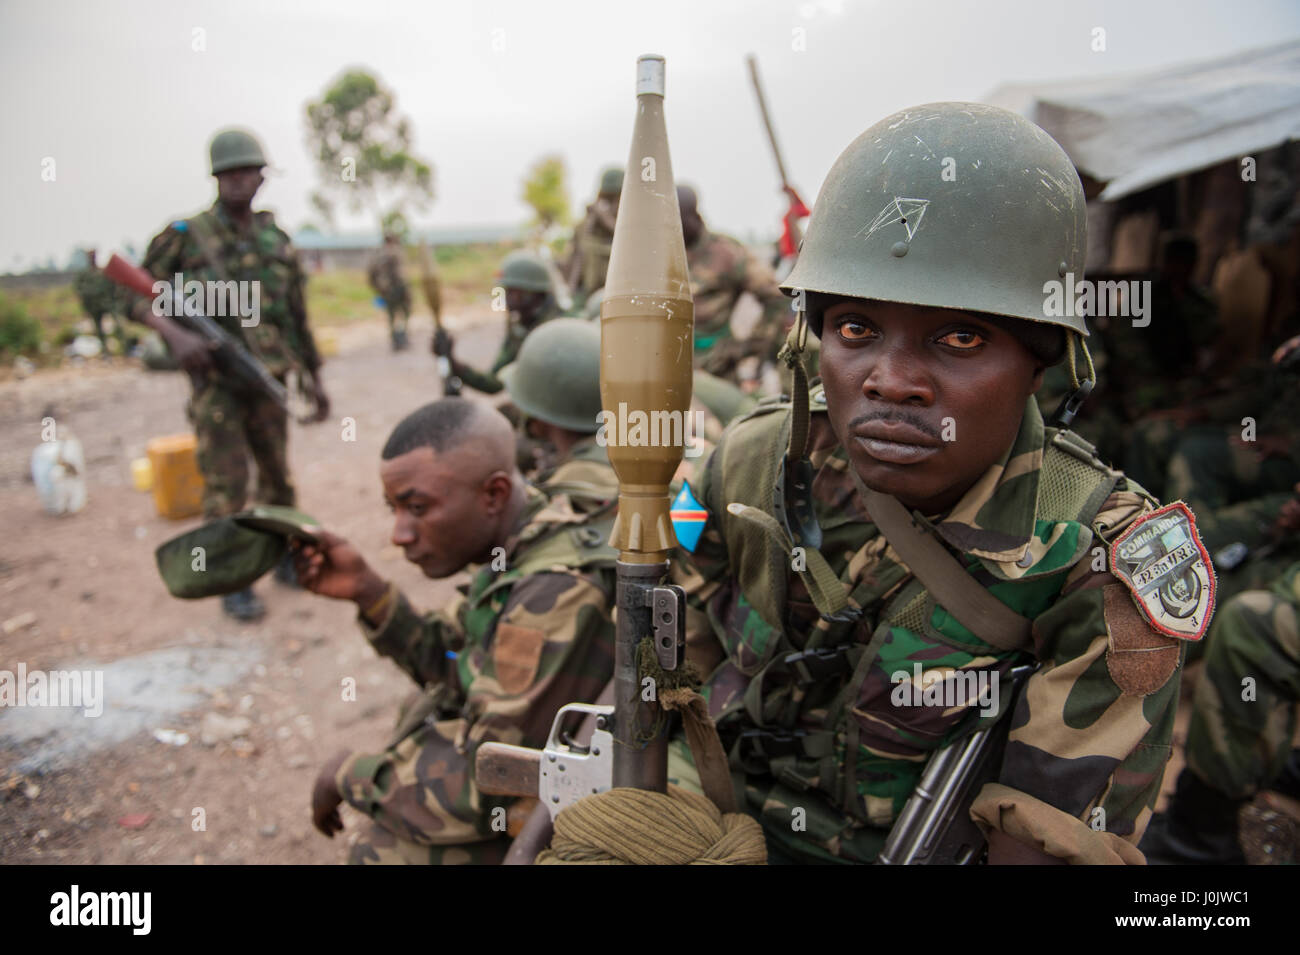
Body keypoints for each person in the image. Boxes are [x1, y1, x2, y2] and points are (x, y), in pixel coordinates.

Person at [668, 102, 1207, 864]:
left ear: (1043, 360)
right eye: (856, 328)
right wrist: (673, 802)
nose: (891, 381)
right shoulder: (755, 461)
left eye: (960, 337)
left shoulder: (1103, 560)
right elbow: (667, 660)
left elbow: (1045, 846)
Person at [293, 399, 618, 864]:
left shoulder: (551, 593)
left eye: (417, 508)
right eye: (394, 509)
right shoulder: (526, 535)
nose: (399, 534)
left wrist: (348, 775)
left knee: (378, 854)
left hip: (582, 797)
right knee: (421, 716)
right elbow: (453, 661)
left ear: (494, 494)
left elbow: (485, 782)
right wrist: (370, 592)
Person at [127, 128, 330, 622]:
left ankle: (283, 554)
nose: (241, 181)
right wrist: (176, 337)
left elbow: (296, 318)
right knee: (226, 485)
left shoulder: (276, 241)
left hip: (268, 379)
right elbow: (135, 296)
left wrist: (314, 377)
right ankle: (231, 579)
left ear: (262, 177)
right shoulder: (184, 237)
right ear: (217, 177)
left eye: (249, 171)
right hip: (216, 382)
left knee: (278, 478)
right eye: (231, 172)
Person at [678, 184, 790, 388]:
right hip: (667, 365)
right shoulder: (659, 253)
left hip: (715, 370)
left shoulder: (726, 252)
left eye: (678, 219)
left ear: (693, 217)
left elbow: (775, 297)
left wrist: (747, 347)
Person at [433, 250, 559, 395]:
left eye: (513, 292)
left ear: (534, 293)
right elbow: (494, 383)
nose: (506, 299)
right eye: (505, 291)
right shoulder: (520, 327)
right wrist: (452, 363)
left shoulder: (558, 329)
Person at [564, 167, 622, 303]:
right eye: (606, 197)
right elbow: (574, 264)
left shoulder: (634, 228)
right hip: (588, 298)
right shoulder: (583, 227)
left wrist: (607, 221)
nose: (611, 204)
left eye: (616, 198)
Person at [72, 248, 128, 355]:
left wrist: (115, 299)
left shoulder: (103, 272)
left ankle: (125, 348)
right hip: (93, 306)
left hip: (107, 303)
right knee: (99, 329)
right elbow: (79, 290)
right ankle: (105, 351)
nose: (92, 258)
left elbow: (113, 285)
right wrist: (86, 303)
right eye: (90, 256)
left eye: (93, 256)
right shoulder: (84, 275)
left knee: (118, 324)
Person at [367, 232, 412, 350]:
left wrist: (378, 289)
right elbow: (401, 274)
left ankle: (396, 339)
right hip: (397, 288)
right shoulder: (394, 252)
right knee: (404, 313)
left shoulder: (377, 254)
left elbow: (371, 273)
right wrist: (406, 290)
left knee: (392, 316)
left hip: (386, 290)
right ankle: (401, 337)